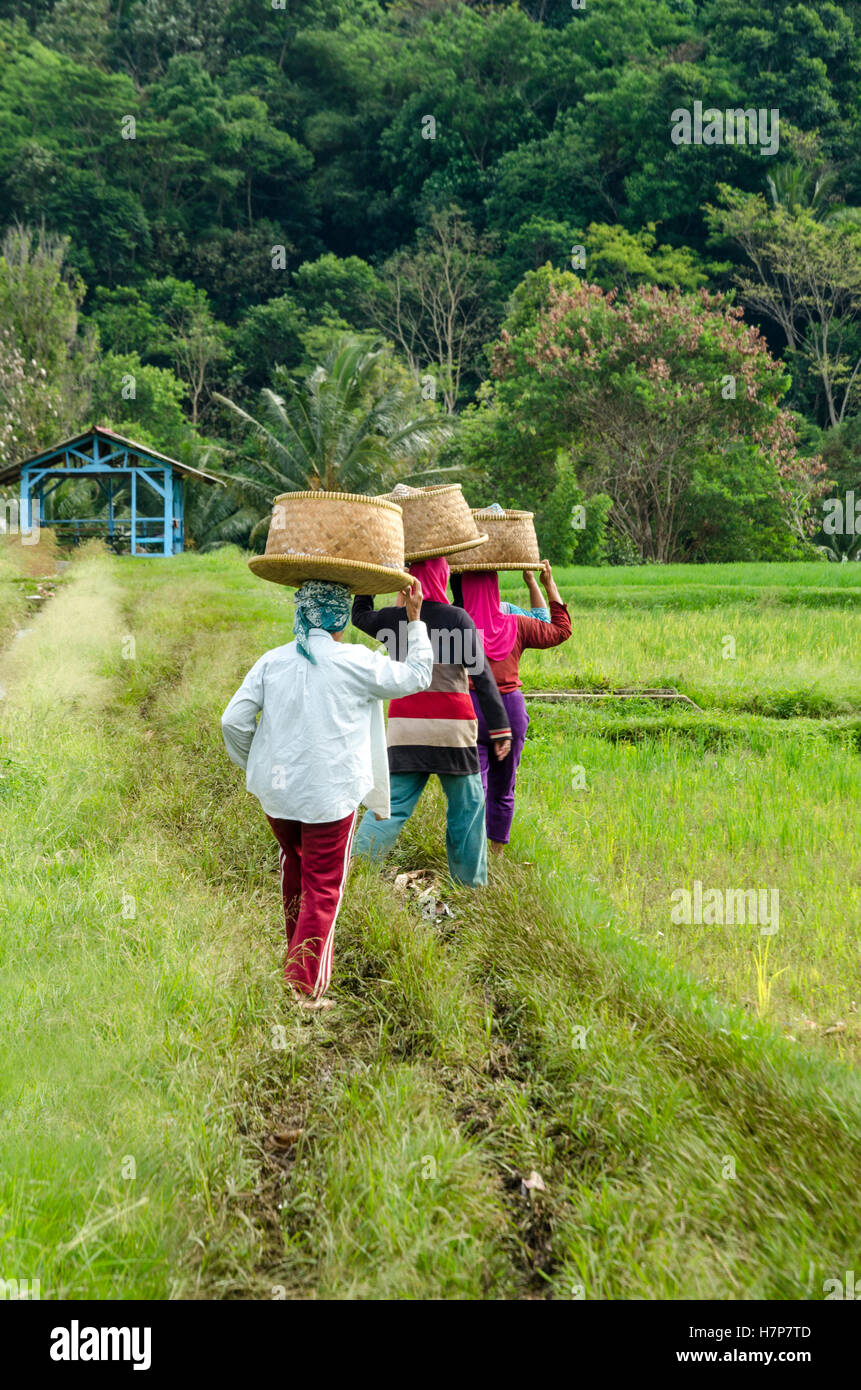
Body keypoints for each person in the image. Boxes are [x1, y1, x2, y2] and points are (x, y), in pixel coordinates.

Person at [221, 578, 433, 1009]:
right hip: (330, 799)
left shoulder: (272, 661)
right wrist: (414, 621)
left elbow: (232, 722)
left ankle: (296, 957)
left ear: (302, 612)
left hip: (279, 799)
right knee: (324, 885)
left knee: (295, 870)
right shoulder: (355, 661)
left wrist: (255, 764)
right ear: (340, 616)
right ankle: (303, 988)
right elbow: (417, 675)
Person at [351, 555, 512, 888]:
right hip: (452, 729)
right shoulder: (458, 618)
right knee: (467, 807)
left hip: (406, 727)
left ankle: (352, 872)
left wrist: (372, 576)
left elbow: (360, 615)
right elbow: (481, 676)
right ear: (442, 575)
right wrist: (499, 729)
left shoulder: (396, 620)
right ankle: (469, 886)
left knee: (390, 806)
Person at [451, 560, 571, 855]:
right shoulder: (515, 623)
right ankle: (496, 854)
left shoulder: (452, 626)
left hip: (469, 711)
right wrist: (546, 583)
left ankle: (470, 855)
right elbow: (560, 630)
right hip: (510, 712)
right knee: (504, 786)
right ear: (495, 589)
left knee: (473, 787)